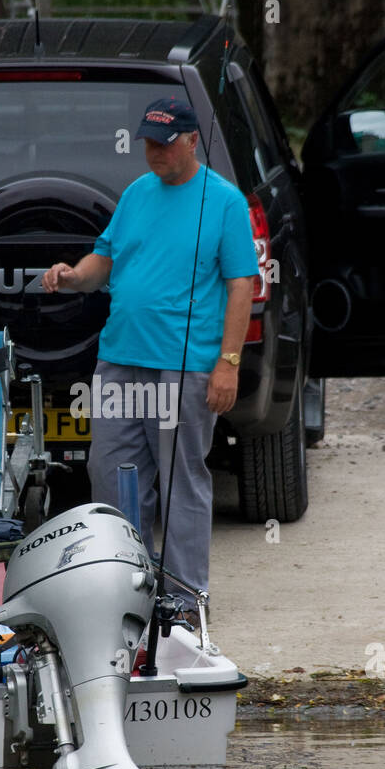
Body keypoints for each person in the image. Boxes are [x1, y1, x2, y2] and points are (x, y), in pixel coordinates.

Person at [42, 98, 258, 603]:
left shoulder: (224, 202)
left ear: (191, 141)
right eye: (148, 143)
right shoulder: (138, 193)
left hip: (183, 366)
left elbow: (241, 284)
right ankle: (124, 588)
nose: (154, 152)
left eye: (164, 143)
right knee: (111, 472)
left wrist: (228, 364)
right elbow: (105, 260)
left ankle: (184, 600)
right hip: (120, 359)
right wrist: (75, 276)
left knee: (182, 480)